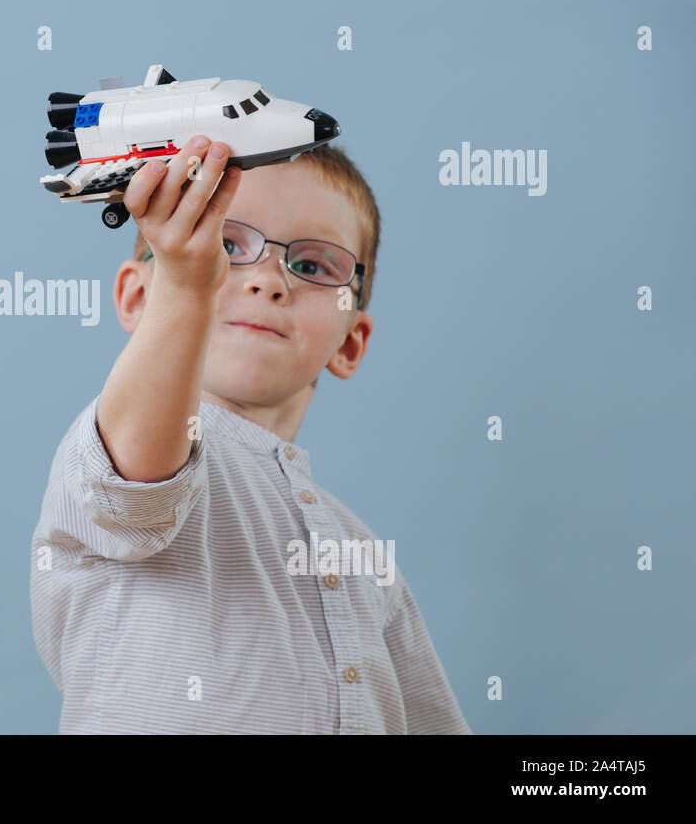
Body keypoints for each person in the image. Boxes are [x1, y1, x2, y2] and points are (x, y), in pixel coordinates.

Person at [29, 135, 471, 733]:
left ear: (350, 342)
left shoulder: (364, 556)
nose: (268, 280)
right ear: (139, 297)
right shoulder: (129, 451)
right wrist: (187, 282)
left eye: (312, 266)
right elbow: (140, 487)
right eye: (225, 244)